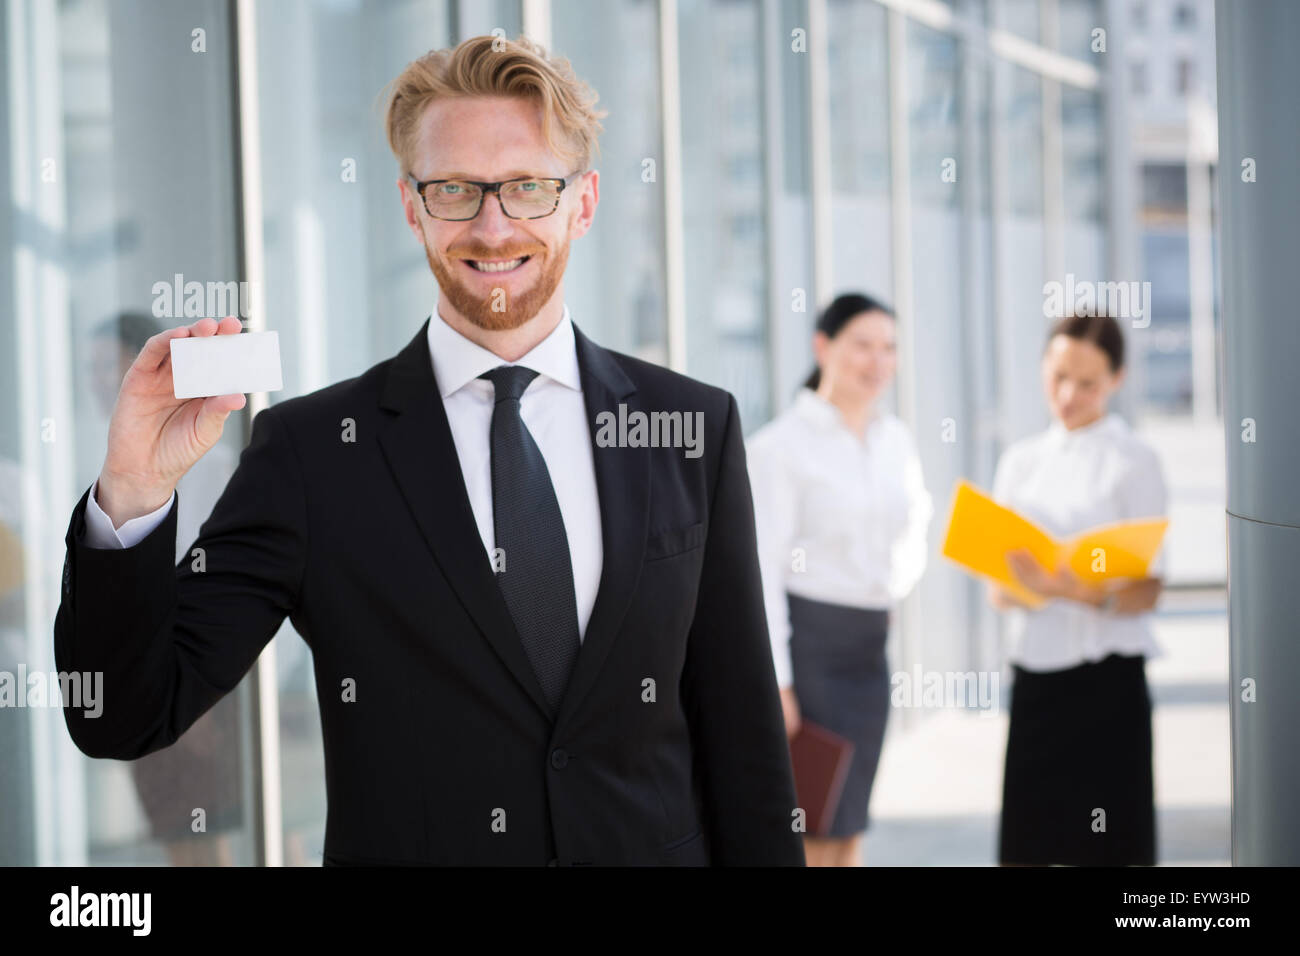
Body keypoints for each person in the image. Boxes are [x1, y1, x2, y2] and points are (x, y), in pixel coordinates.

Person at [52, 34, 803, 867]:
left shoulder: (690, 428)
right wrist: (130, 490)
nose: (492, 225)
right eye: (455, 190)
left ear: (582, 204)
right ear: (412, 206)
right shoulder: (314, 454)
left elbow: (745, 745)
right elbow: (122, 716)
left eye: (526, 187)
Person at [747, 293, 931, 867]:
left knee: (850, 820)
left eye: (889, 348)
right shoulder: (779, 448)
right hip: (811, 648)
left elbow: (917, 521)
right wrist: (777, 683)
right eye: (862, 345)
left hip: (868, 648)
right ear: (823, 346)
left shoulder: (895, 438)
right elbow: (761, 570)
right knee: (811, 825)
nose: (877, 362)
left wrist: (891, 584)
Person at [989, 310, 1168, 866]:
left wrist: (1072, 589)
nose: (1068, 394)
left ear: (1117, 379)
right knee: (1027, 845)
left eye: (1087, 383)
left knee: (1113, 848)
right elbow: (1000, 591)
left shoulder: (1134, 460)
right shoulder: (1020, 462)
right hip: (1038, 679)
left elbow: (1149, 589)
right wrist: (1033, 587)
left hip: (1108, 683)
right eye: (1058, 377)